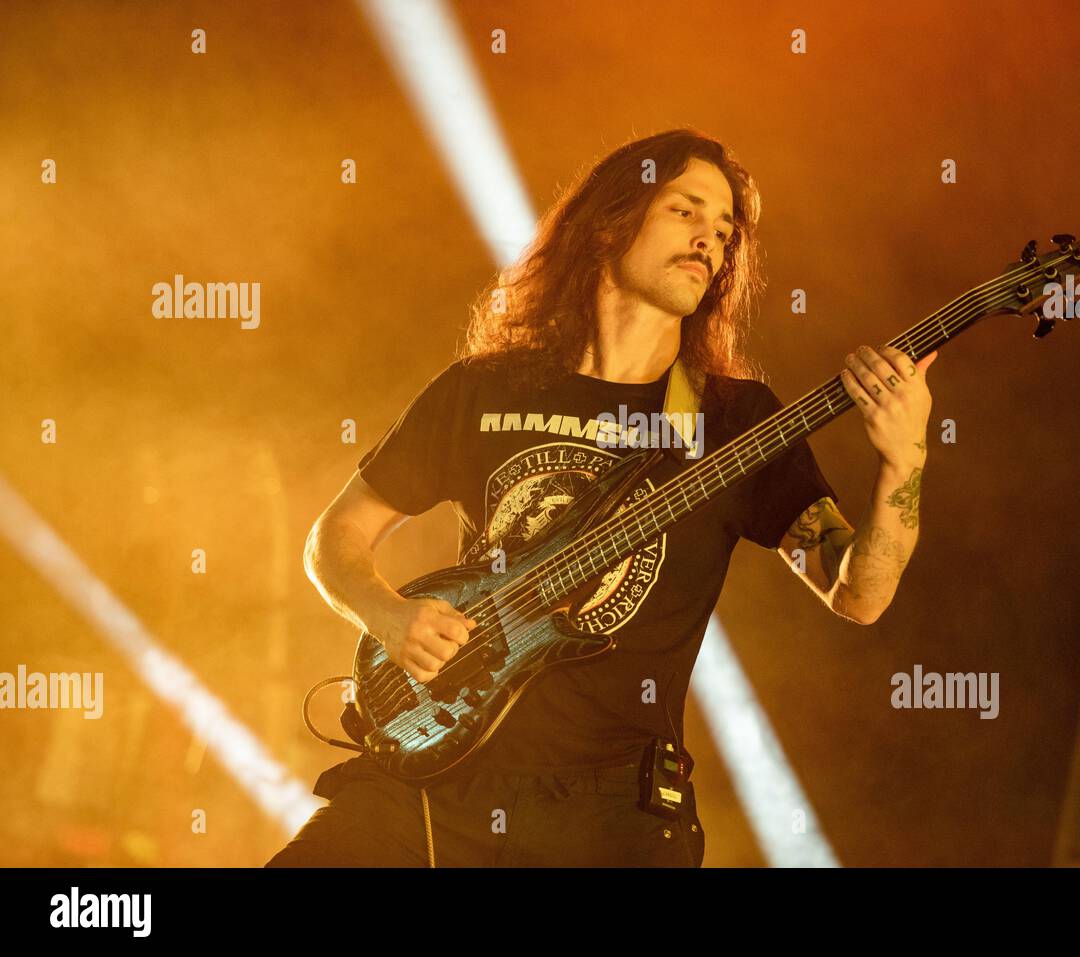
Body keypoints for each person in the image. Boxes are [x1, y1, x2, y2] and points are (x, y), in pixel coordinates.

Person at [265, 128, 936, 868]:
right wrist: (388, 615)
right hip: (434, 770)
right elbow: (336, 537)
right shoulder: (485, 388)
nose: (709, 240)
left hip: (610, 817)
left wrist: (905, 460)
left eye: (724, 231)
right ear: (613, 219)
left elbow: (858, 592)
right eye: (687, 211)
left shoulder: (731, 419)